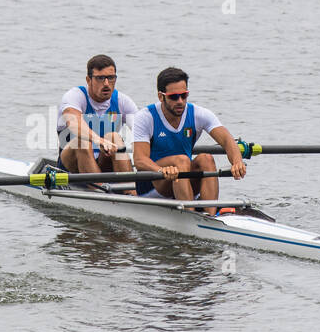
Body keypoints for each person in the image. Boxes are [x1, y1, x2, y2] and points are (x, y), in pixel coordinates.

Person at [128, 67, 246, 213]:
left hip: (182, 180)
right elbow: (139, 160)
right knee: (182, 160)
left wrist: (237, 161)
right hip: (152, 186)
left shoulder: (198, 113)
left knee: (206, 159)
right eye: (174, 97)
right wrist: (161, 170)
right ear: (161, 96)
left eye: (184, 95)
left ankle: (210, 216)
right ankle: (191, 216)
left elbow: (227, 140)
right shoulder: (145, 117)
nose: (180, 101)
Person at [56, 55, 140, 183]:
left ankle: (131, 193)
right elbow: (74, 122)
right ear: (88, 80)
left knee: (114, 138)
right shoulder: (75, 96)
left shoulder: (123, 101)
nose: (106, 83)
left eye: (111, 78)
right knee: (81, 141)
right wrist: (98, 140)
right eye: (100, 78)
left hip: (103, 163)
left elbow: (143, 133)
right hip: (71, 166)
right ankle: (99, 193)